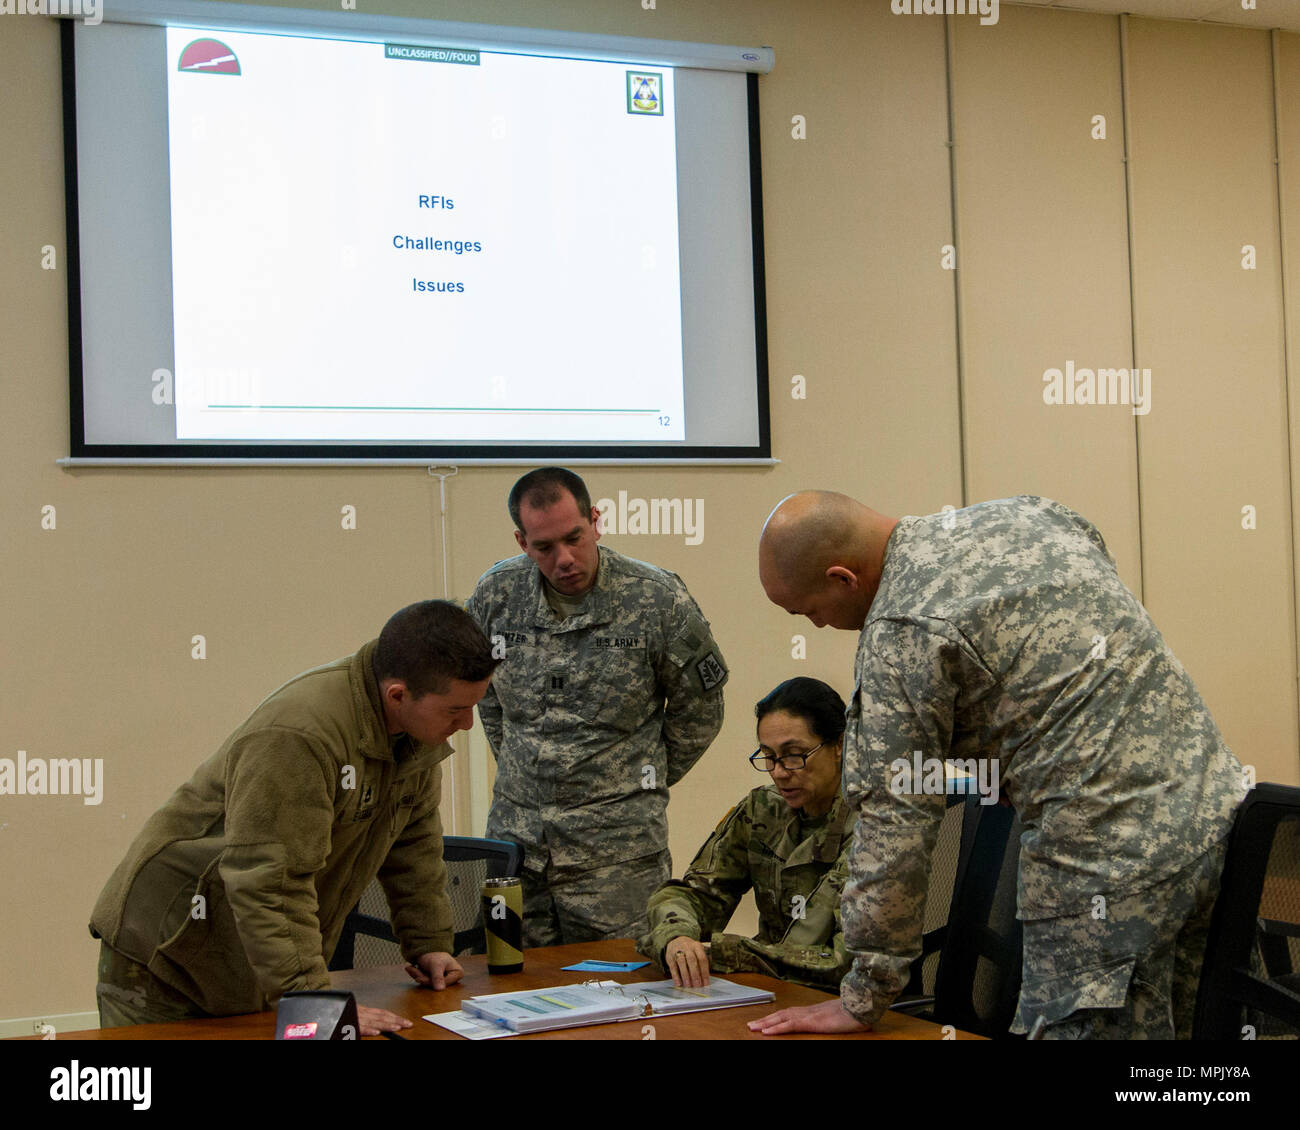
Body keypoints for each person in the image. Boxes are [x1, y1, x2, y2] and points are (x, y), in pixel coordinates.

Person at [749, 492, 1245, 1039]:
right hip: (1217, 818)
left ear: (845, 578)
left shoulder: (901, 627)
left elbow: (895, 824)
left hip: (1105, 862)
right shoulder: (1032, 513)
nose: (816, 626)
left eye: (808, 612)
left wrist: (863, 994)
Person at [90, 600, 499, 1036]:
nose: (468, 724)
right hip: (172, 956)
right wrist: (317, 1004)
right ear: (397, 695)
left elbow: (412, 845)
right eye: (455, 711)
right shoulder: (300, 737)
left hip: (252, 954)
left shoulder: (415, 731)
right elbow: (271, 881)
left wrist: (429, 944)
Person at [466, 467, 728, 946]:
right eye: (544, 547)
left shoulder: (656, 599)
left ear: (595, 520)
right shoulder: (496, 595)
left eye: (575, 537)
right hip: (518, 847)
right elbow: (483, 694)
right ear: (522, 542)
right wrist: (522, 769)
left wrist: (634, 783)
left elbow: (701, 711)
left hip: (618, 857)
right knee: (510, 984)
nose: (564, 559)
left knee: (623, 992)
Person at [638, 677, 856, 991]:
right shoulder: (763, 810)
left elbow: (845, 962)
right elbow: (694, 895)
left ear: (838, 746)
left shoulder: (873, 823)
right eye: (768, 756)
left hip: (842, 1006)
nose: (779, 772)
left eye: (794, 755)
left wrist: (732, 953)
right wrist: (678, 936)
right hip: (767, 992)